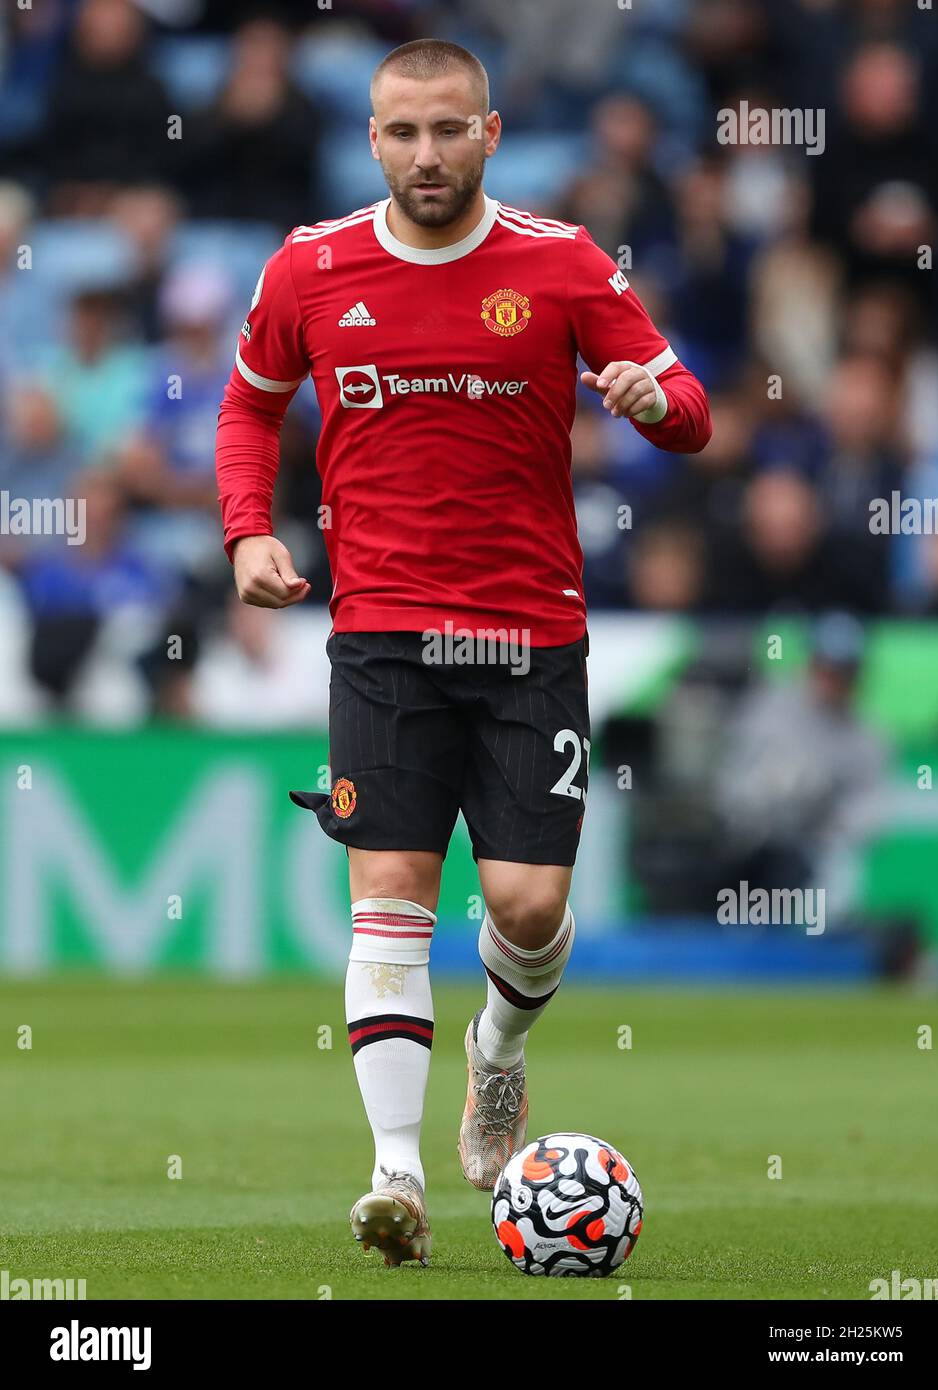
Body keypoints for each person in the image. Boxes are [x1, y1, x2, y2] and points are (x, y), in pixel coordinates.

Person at [214, 37, 711, 1268]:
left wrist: (654, 406)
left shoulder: (558, 262)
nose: (424, 154)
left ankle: (496, 1051)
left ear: (489, 133)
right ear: (371, 140)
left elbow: (688, 408)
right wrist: (245, 535)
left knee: (526, 906)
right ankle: (394, 1177)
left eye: (448, 131)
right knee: (384, 901)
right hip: (377, 633)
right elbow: (247, 405)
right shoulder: (312, 267)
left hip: (527, 630)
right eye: (401, 133)